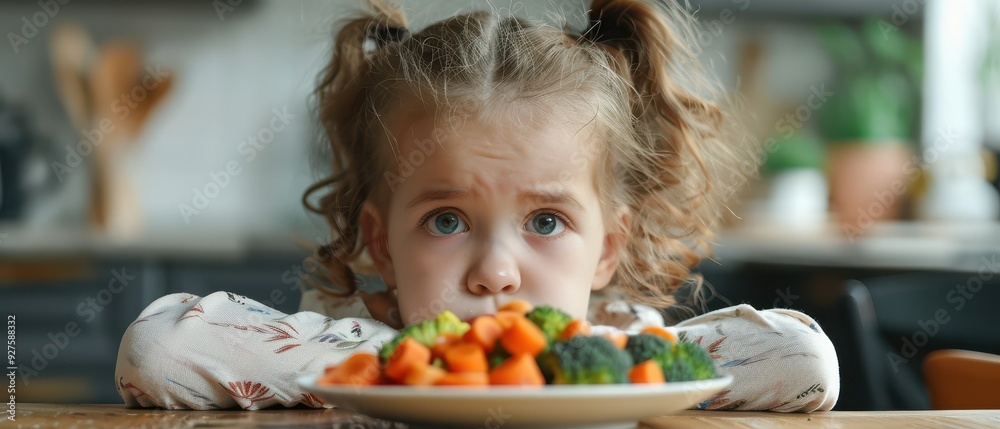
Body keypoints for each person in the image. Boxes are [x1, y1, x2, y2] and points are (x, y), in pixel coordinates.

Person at [115, 0, 839, 412]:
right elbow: (157, 351)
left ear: (609, 247)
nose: (496, 272)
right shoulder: (347, 347)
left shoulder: (619, 349)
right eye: (447, 220)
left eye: (546, 222)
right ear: (383, 241)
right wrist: (406, 364)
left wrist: (584, 364)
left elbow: (805, 360)